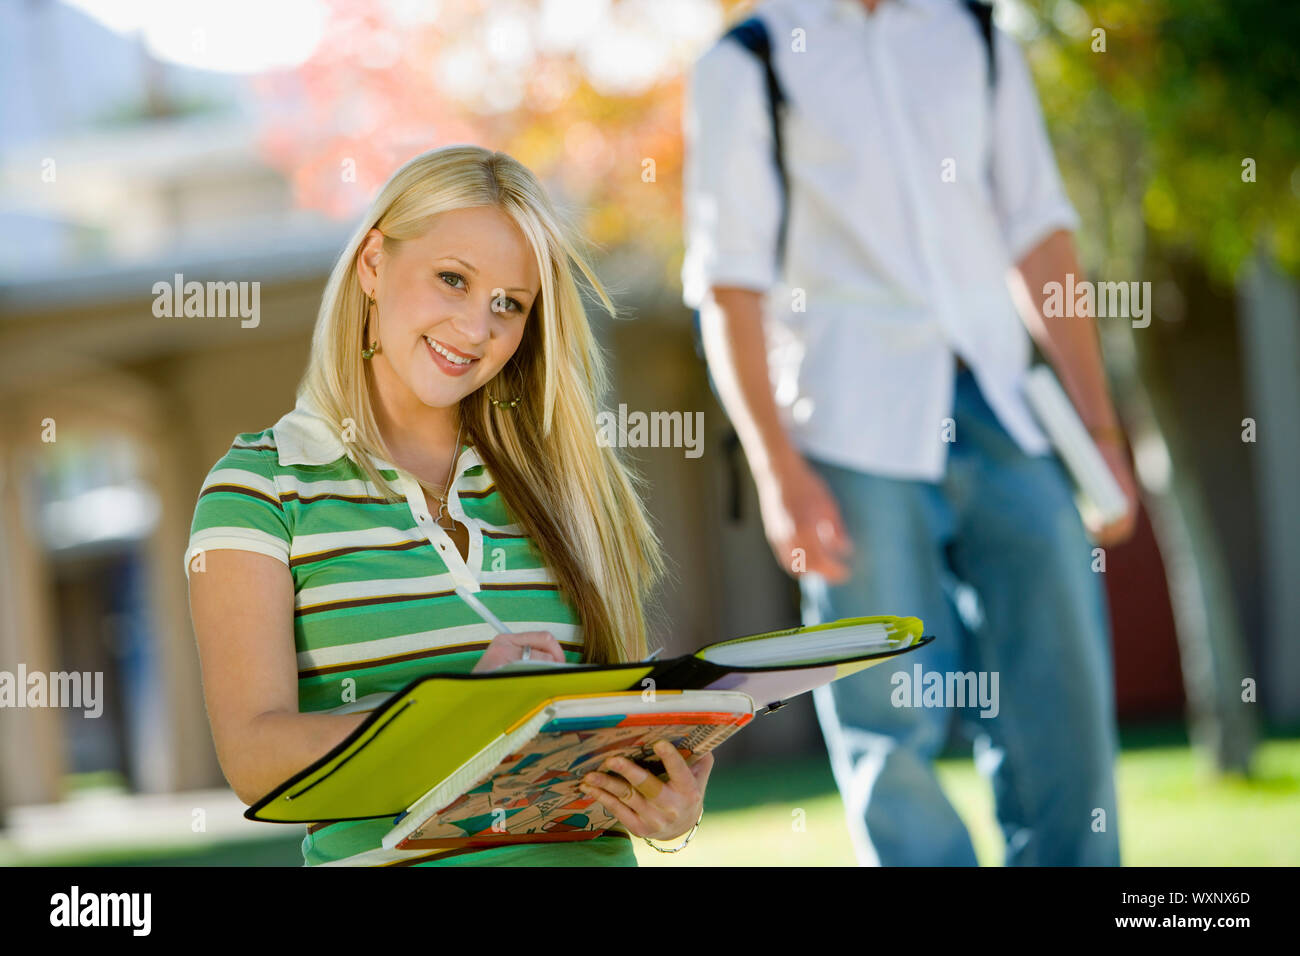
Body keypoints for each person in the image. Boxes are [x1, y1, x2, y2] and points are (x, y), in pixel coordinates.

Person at [681, 0, 1138, 865]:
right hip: (851, 431)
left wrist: (1100, 429)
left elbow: (1040, 231)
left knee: (1062, 694)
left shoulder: (972, 33)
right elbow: (727, 284)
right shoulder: (748, 60)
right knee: (888, 717)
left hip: (1004, 408)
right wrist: (778, 472)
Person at [185, 144, 713, 866]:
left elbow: (606, 736)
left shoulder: (565, 482)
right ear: (373, 264)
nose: (476, 329)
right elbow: (256, 760)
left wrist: (666, 806)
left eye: (509, 304)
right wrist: (461, 715)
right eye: (452, 280)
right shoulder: (261, 489)